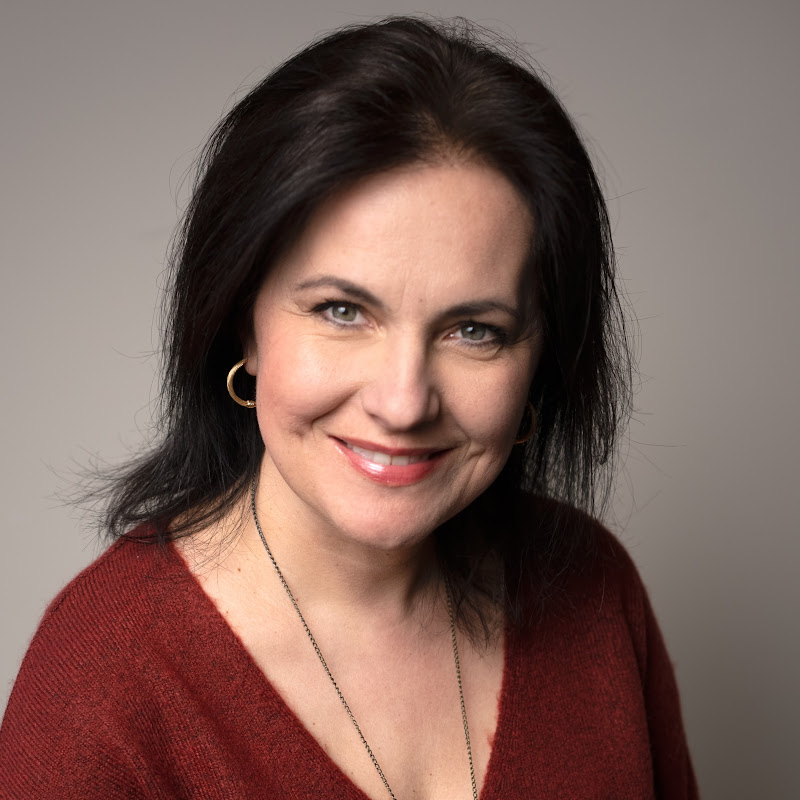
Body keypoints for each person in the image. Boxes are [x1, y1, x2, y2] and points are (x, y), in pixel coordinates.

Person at [0, 15, 697, 799]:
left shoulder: (594, 591)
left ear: (540, 357)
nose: (403, 403)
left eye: (475, 330)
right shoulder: (102, 686)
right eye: (341, 311)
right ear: (244, 324)